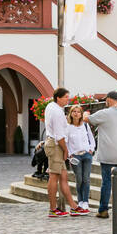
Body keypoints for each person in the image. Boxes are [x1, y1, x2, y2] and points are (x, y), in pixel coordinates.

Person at [44, 88, 87, 217]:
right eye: (66, 97)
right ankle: (53, 209)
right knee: (54, 176)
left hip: (56, 144)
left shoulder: (51, 107)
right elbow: (59, 136)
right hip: (57, 146)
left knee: (63, 177)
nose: (68, 99)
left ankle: (73, 207)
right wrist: (66, 150)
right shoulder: (56, 111)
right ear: (58, 98)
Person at [65, 104, 96, 209]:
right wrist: (70, 154)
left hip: (86, 155)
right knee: (79, 179)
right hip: (75, 157)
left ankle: (85, 202)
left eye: (78, 112)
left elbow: (92, 139)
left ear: (81, 114)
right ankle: (80, 200)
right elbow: (66, 142)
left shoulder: (85, 125)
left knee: (86, 179)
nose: (76, 113)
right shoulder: (68, 127)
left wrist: (91, 149)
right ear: (71, 113)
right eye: (74, 111)